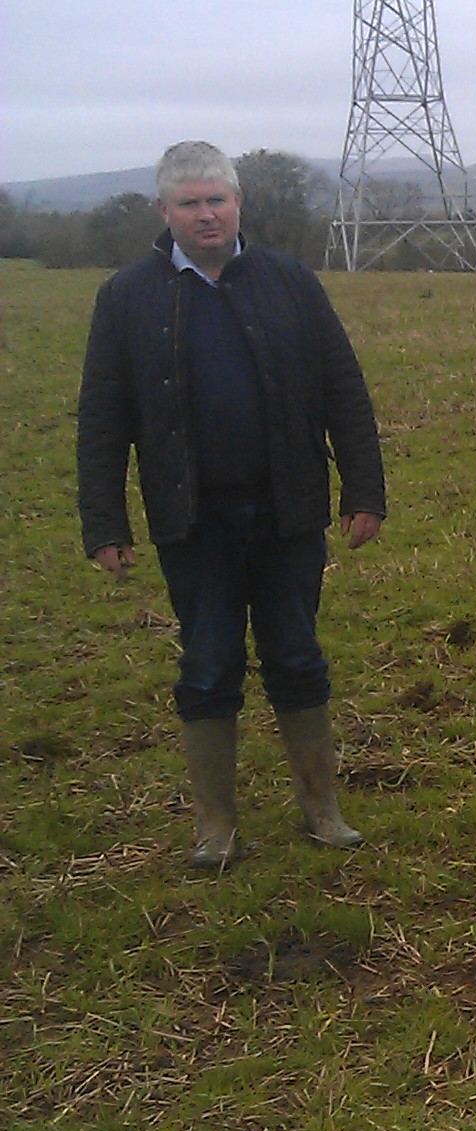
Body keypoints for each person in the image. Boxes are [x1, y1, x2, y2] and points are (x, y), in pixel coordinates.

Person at [76, 140, 387, 871]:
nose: (206, 213)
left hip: (288, 514)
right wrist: (104, 523)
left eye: (217, 199)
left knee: (297, 657)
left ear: (238, 203)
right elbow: (102, 419)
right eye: (189, 203)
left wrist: (364, 492)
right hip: (194, 523)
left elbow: (344, 391)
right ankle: (215, 826)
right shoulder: (127, 297)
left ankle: (322, 809)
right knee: (209, 665)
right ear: (165, 212)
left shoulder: (290, 283)